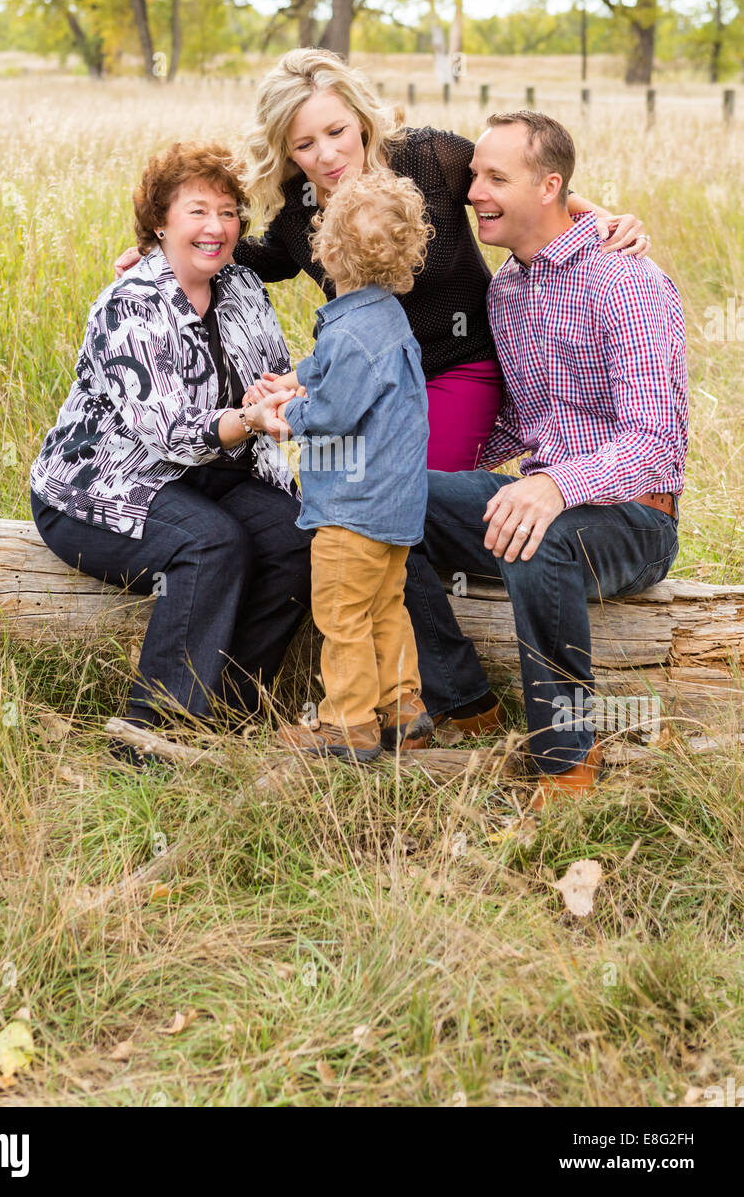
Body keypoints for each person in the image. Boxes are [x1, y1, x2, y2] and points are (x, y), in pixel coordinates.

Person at [115, 49, 651, 472]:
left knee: (419, 497)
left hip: (455, 366)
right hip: (361, 374)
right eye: (303, 145)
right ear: (286, 149)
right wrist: (163, 249)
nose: (325, 156)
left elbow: (513, 183)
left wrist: (597, 214)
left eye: (336, 131)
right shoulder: (301, 204)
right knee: (334, 492)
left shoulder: (427, 157)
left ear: (361, 118)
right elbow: (267, 260)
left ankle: (427, 608)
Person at [413, 110, 688, 810]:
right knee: (389, 499)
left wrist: (556, 486)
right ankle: (464, 698)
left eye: (495, 178)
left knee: (540, 537)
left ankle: (567, 763)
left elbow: (654, 441)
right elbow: (520, 423)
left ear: (550, 186)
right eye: (475, 175)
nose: (474, 192)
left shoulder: (625, 279)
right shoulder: (507, 290)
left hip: (634, 518)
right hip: (552, 497)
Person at [29, 142, 312, 754]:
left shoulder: (241, 286)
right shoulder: (131, 302)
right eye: (198, 211)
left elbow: (270, 373)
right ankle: (150, 740)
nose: (217, 227)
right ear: (160, 222)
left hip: (208, 478)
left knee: (297, 536)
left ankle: (228, 719)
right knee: (211, 543)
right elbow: (170, 431)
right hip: (99, 486)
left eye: (230, 212)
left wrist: (283, 394)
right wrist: (250, 416)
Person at [267, 168, 434, 762]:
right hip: (393, 507)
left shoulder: (348, 333)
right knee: (386, 605)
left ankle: (346, 723)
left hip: (350, 510)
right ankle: (402, 709)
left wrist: (286, 413)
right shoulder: (387, 317)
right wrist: (300, 375)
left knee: (340, 615)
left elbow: (334, 413)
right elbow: (341, 371)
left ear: (325, 250)